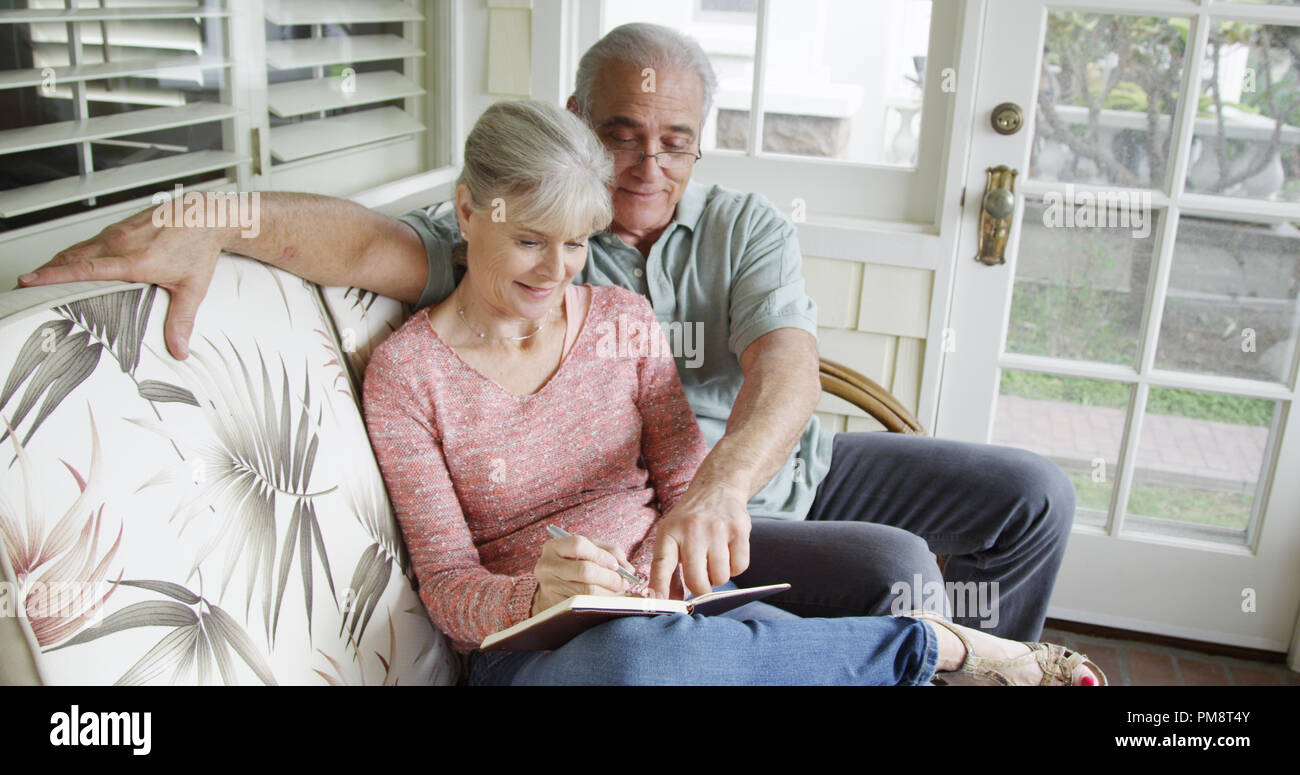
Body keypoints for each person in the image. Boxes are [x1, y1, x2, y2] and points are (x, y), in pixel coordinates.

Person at [18, 23, 1074, 642]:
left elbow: (788, 369)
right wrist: (212, 216)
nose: (648, 164)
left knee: (1032, 498)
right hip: (669, 528)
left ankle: (974, 661)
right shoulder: (525, 243)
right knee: (894, 573)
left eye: (675, 143)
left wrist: (716, 486)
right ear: (576, 123)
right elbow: (357, 242)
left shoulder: (743, 224)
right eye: (621, 135)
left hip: (767, 474)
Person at [360, 98, 1103, 685]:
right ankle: (929, 650)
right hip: (536, 650)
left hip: (667, 600)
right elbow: (450, 586)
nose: (557, 272)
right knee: (633, 665)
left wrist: (655, 570)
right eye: (529, 239)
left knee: (685, 644)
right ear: (466, 211)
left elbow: (687, 483)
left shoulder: (621, 318)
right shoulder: (407, 374)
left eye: (579, 242)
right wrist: (537, 596)